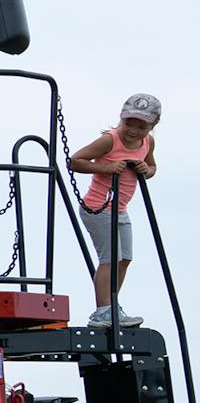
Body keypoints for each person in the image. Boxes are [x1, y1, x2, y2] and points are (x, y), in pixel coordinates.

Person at [69, 93, 163, 327]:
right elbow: (76, 160)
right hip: (97, 208)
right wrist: (107, 166)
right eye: (129, 123)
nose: (132, 130)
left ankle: (112, 306)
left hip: (120, 210)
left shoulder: (147, 142)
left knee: (125, 259)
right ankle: (103, 311)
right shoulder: (110, 140)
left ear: (152, 125)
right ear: (121, 118)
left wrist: (146, 170)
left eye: (140, 126)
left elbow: (152, 166)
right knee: (110, 259)